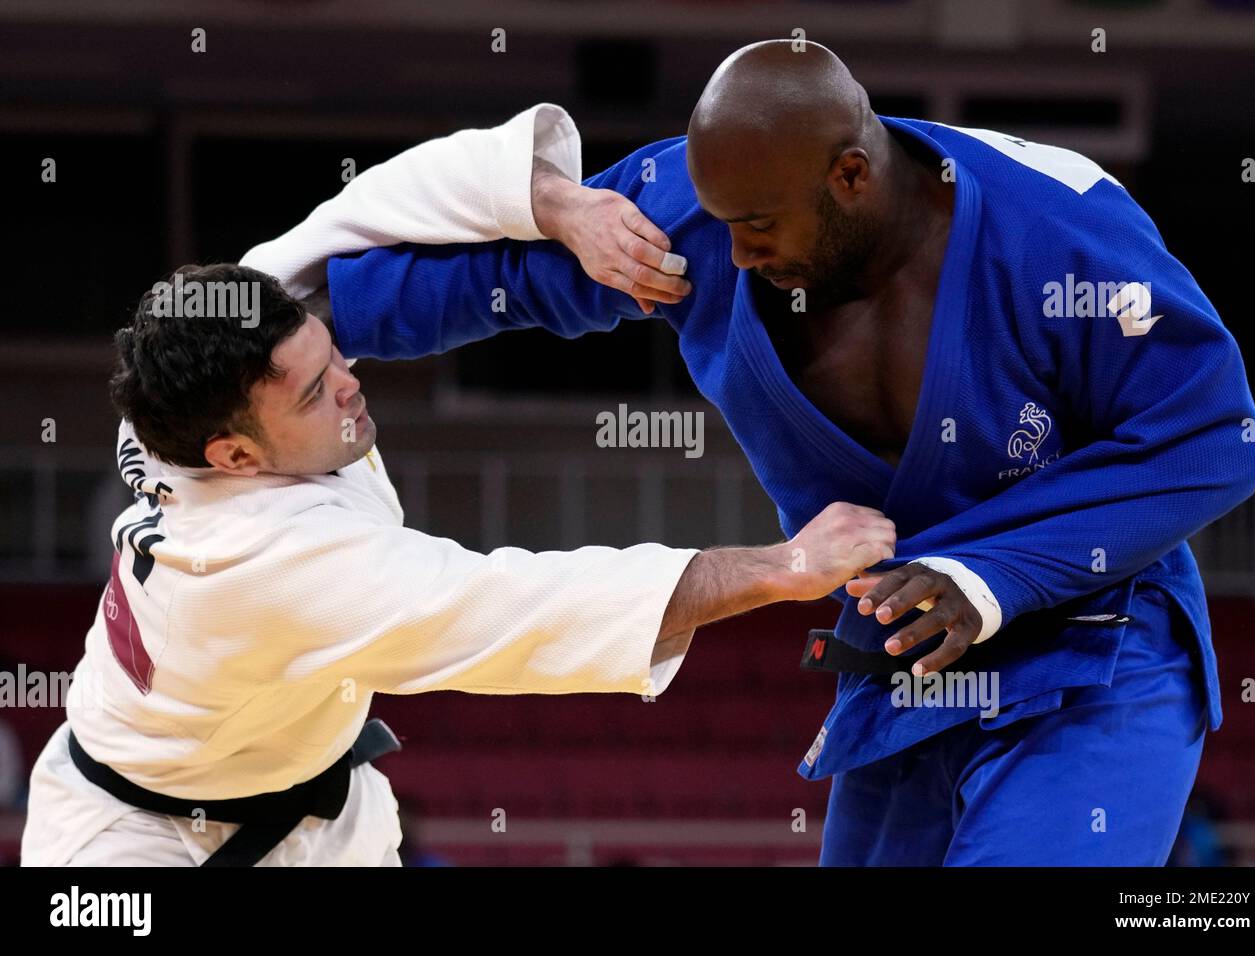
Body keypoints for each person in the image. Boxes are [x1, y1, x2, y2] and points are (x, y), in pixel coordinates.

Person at [308, 41, 1255, 865]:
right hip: (905, 654)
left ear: (850, 176)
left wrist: (989, 576)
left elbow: (1213, 436)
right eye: (722, 225)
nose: (733, 252)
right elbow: (509, 273)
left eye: (758, 229)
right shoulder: (711, 209)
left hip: (1093, 638)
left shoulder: (1061, 234)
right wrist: (299, 322)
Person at [20, 104, 897, 866]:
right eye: (316, 392)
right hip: (129, 833)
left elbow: (363, 207)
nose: (350, 382)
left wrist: (561, 207)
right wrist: (780, 566)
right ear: (236, 458)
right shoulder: (269, 561)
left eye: (331, 357)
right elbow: (520, 605)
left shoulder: (192, 374)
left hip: (315, 803)